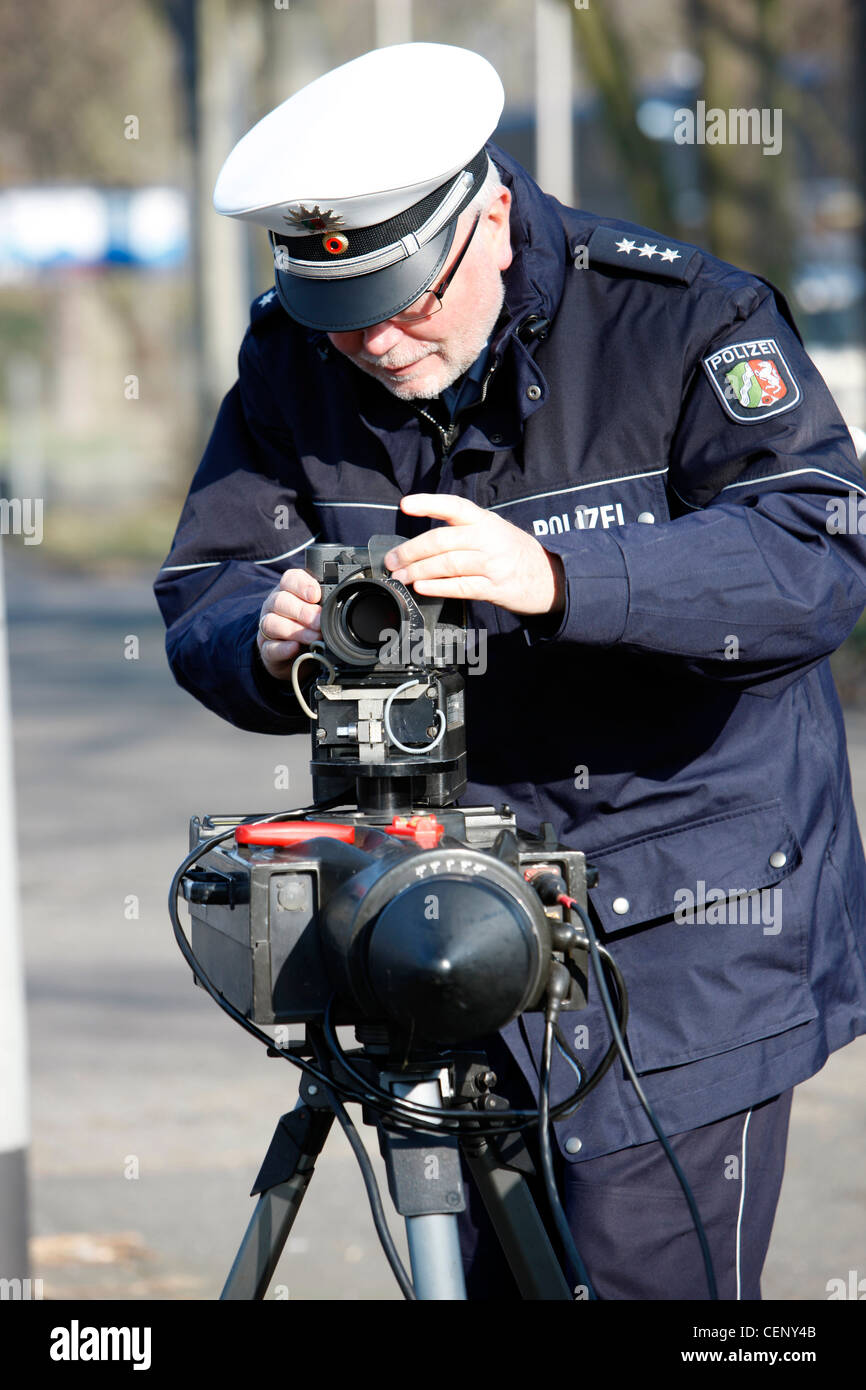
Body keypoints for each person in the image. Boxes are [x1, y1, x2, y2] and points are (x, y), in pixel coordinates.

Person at [155, 42, 866, 1299]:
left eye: (402, 302)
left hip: (681, 949)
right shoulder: (293, 358)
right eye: (339, 313)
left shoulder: (683, 317)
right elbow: (203, 589)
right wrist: (260, 634)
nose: (371, 341)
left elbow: (815, 550)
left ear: (485, 216)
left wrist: (563, 580)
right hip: (425, 929)